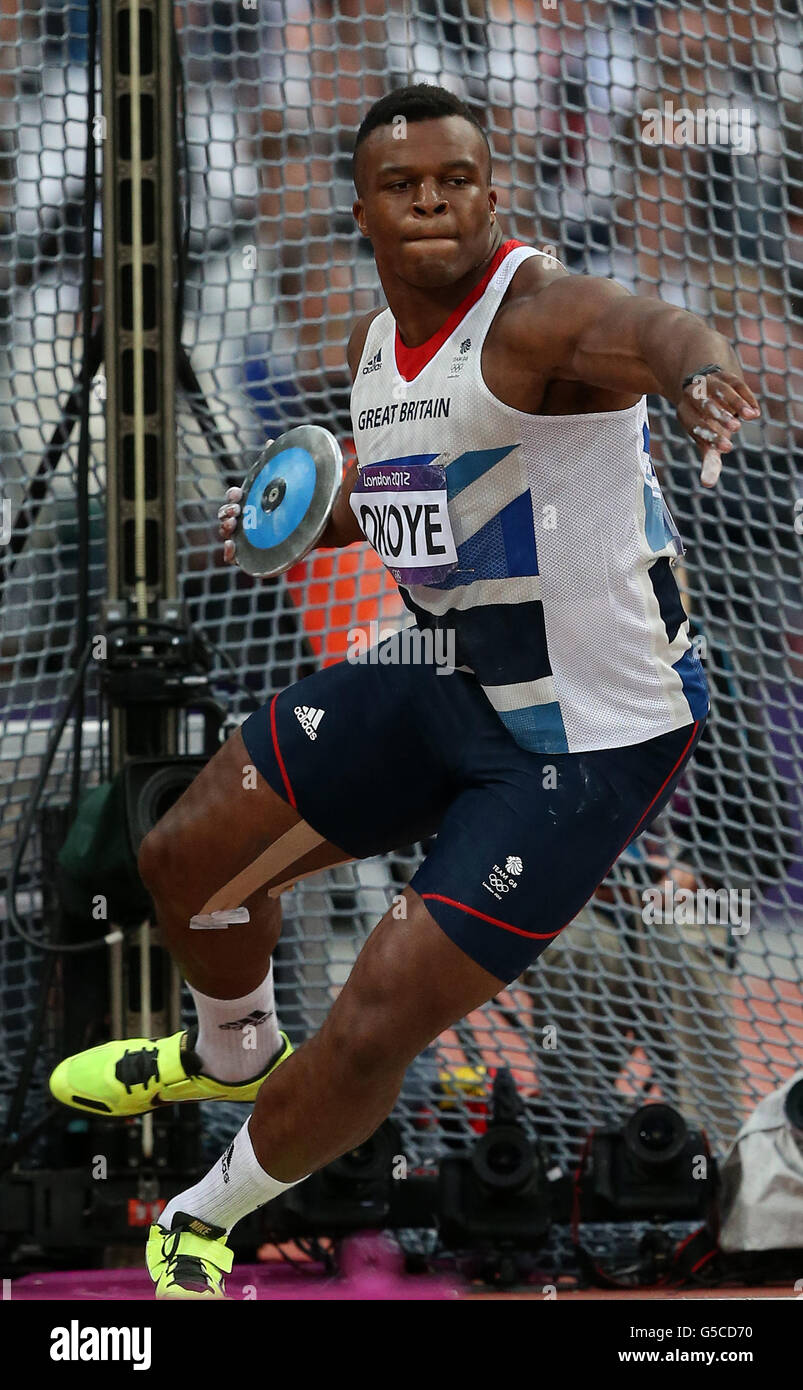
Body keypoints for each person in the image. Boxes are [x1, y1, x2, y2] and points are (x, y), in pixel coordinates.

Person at [48, 84, 760, 1298]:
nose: (432, 199)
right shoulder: (371, 349)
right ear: (362, 212)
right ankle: (232, 1051)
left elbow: (650, 326)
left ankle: (200, 1214)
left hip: (589, 735)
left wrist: (697, 374)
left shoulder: (537, 318)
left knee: (378, 1012)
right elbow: (404, 495)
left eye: (456, 180)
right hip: (453, 672)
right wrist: (295, 517)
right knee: (185, 852)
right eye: (402, 185)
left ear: (492, 194)